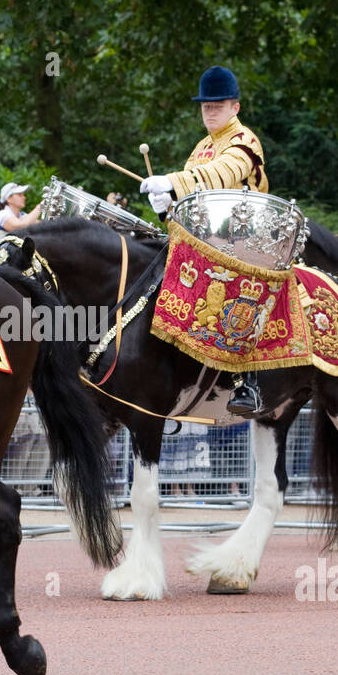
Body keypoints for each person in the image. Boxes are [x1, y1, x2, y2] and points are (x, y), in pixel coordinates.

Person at [138, 64, 269, 414]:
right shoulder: (200, 149)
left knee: (239, 289)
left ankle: (247, 383)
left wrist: (174, 181)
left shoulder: (244, 141)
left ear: (235, 108)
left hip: (244, 239)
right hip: (203, 240)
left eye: (218, 105)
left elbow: (222, 173)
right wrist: (167, 207)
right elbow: (193, 204)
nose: (210, 111)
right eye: (205, 106)